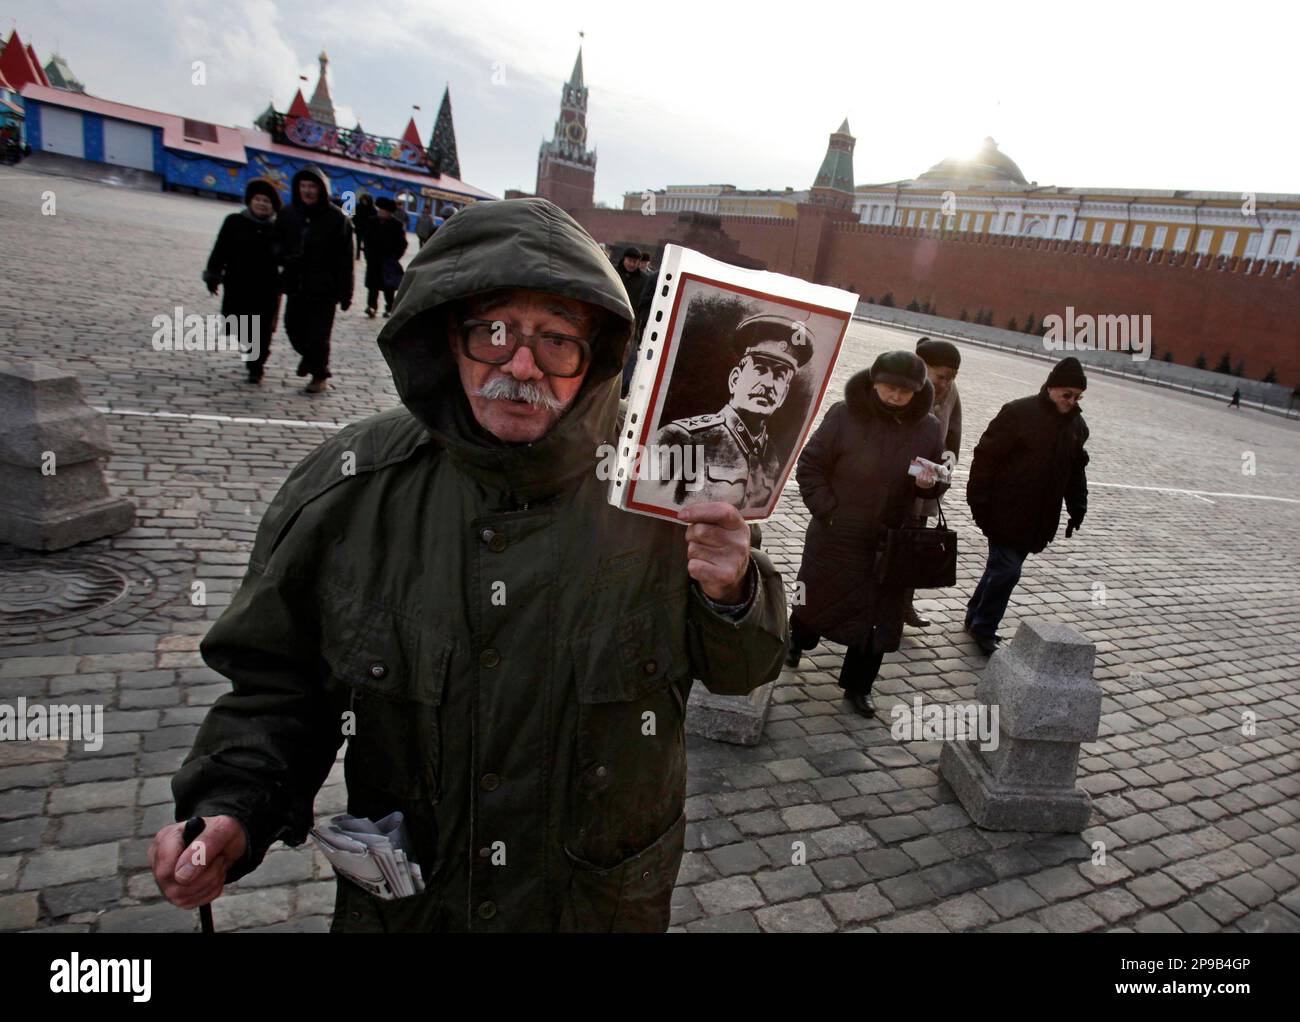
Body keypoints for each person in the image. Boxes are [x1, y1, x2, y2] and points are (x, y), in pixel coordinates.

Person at [152, 196, 787, 933]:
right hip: (419, 910)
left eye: (556, 341)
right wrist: (233, 807)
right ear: (446, 339)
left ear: (595, 359)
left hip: (594, 906)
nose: (521, 365)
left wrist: (733, 591)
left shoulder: (664, 485)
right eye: (493, 332)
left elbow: (743, 668)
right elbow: (277, 687)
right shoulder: (352, 491)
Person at [786, 352, 946, 717]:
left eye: (905, 391)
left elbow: (931, 484)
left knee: (879, 616)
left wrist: (929, 484)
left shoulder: (929, 428)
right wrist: (828, 511)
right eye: (889, 387)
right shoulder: (844, 414)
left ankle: (859, 686)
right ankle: (797, 641)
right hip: (836, 532)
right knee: (815, 596)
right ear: (874, 382)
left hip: (890, 539)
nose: (895, 396)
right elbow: (811, 464)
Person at [964, 355, 1090, 655]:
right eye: (1067, 395)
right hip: (1004, 510)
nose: (1071, 401)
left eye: (1077, 397)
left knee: (1002, 567)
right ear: (1050, 388)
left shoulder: (1077, 427)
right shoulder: (1018, 412)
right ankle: (984, 628)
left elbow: (1076, 472)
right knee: (1007, 571)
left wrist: (1077, 508)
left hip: (1039, 518)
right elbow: (985, 457)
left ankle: (974, 614)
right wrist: (979, 500)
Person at [649, 315, 812, 511]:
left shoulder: (772, 457)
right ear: (735, 380)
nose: (769, 384)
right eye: (760, 370)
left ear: (783, 394)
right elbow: (647, 510)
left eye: (779, 376)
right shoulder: (683, 438)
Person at [273, 165, 354, 394]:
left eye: (312, 186)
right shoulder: (288, 213)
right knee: (293, 330)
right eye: (303, 186)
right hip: (295, 284)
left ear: (322, 189)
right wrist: (283, 255)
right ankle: (310, 358)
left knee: (319, 336)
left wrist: (346, 292)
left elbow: (345, 259)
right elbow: (275, 241)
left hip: (324, 289)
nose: (308, 191)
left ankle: (320, 376)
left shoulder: (337, 219)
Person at [904, 337, 963, 627]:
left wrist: (945, 470)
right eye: (941, 376)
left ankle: (905, 605)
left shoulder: (951, 393)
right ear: (922, 365)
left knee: (913, 547)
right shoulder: (903, 385)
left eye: (950, 378)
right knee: (883, 544)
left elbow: (953, 437)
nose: (945, 383)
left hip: (926, 488)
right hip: (894, 485)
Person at [202, 178, 283, 384]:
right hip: (237, 284)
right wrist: (213, 274)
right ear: (250, 201)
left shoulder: (278, 229)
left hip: (267, 287)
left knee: (263, 329)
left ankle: (256, 365)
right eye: (258, 199)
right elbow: (220, 249)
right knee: (239, 325)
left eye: (267, 201)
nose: (262, 204)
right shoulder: (234, 222)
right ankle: (251, 349)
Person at [363, 197, 409, 319]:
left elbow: (402, 244)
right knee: (372, 287)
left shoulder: (396, 225)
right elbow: (366, 240)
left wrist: (394, 258)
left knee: (388, 288)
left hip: (388, 262)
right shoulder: (372, 221)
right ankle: (371, 307)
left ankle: (389, 308)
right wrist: (368, 256)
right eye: (380, 209)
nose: (380, 212)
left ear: (389, 212)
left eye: (383, 210)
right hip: (373, 261)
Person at [352, 193, 374, 259]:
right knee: (358, 242)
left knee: (367, 243)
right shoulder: (358, 206)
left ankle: (366, 255)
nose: (364, 201)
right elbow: (354, 217)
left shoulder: (371, 208)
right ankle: (357, 255)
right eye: (363, 200)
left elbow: (374, 219)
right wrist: (356, 224)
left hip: (368, 229)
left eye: (365, 200)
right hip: (359, 228)